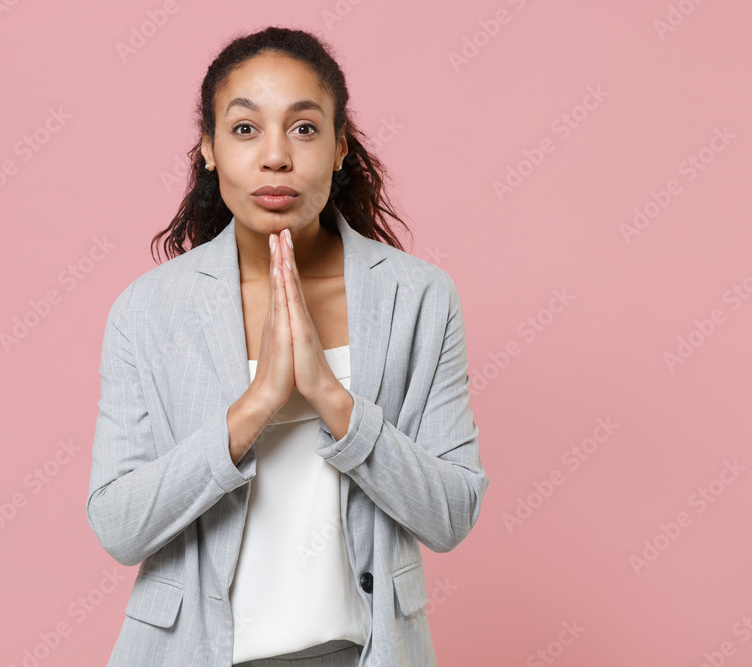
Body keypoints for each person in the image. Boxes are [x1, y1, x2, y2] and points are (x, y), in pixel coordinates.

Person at [86, 26, 489, 667]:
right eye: (245, 129)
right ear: (209, 149)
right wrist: (256, 407)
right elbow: (118, 524)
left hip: (364, 653)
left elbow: (452, 514)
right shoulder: (150, 310)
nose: (276, 156)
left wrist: (333, 401)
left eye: (303, 128)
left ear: (339, 149)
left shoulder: (418, 298)